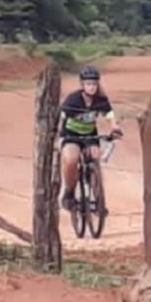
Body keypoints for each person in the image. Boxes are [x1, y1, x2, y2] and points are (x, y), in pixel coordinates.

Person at [58, 65, 124, 211]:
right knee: (71, 160)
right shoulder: (73, 99)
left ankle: (97, 196)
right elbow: (62, 115)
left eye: (94, 84)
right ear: (82, 85)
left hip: (90, 135)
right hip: (71, 135)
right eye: (88, 84)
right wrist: (57, 132)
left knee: (95, 158)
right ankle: (69, 194)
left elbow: (109, 114)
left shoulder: (100, 99)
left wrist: (114, 127)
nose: (92, 87)